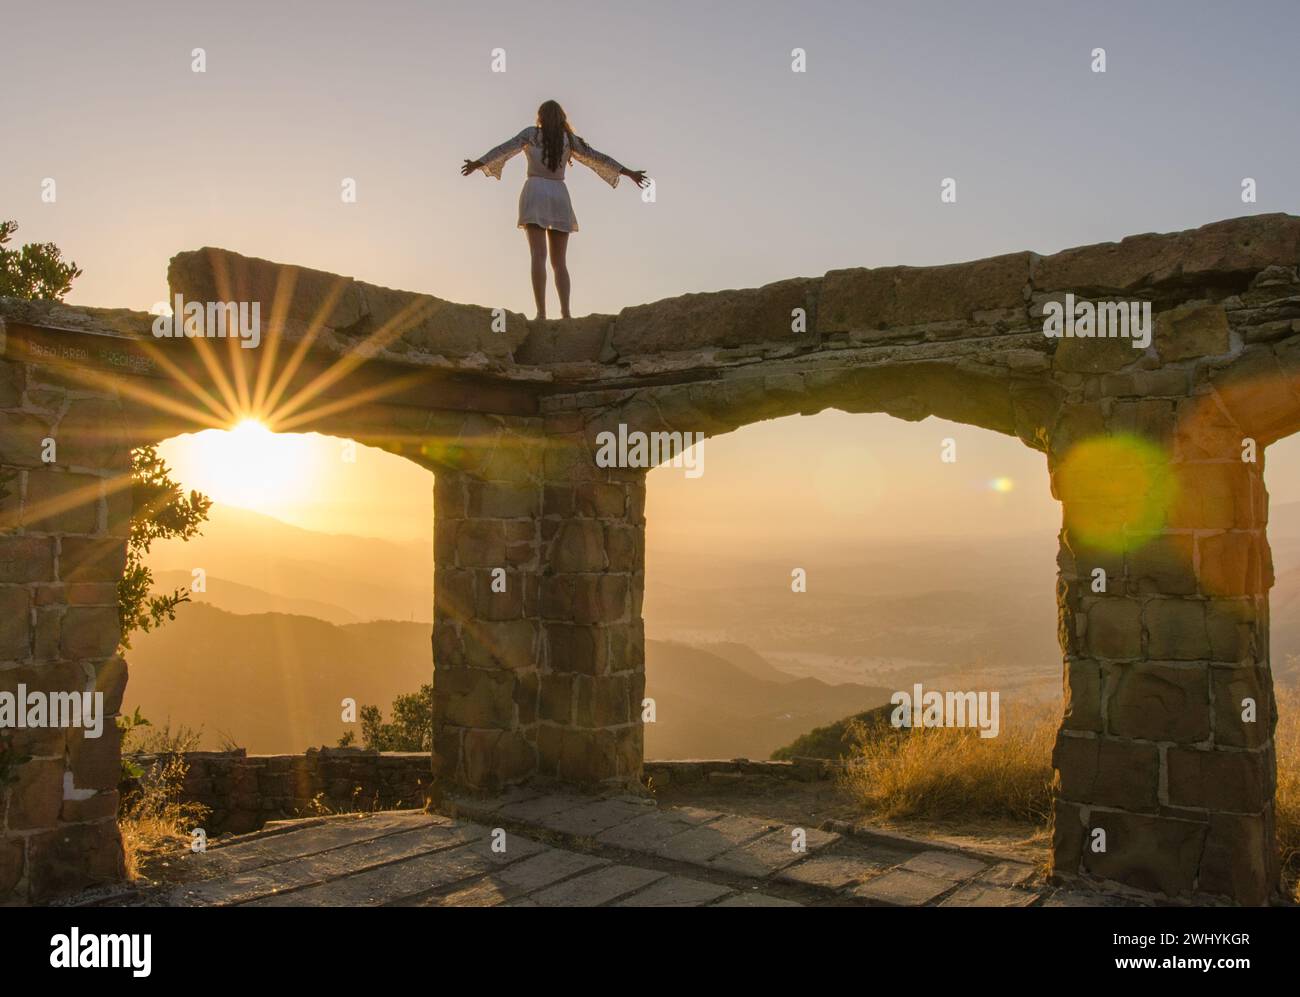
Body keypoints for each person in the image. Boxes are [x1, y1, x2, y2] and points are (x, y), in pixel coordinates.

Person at [463, 100, 647, 320]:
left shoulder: (531, 134)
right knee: (560, 263)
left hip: (535, 191)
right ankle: (566, 314)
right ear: (562, 117)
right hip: (559, 194)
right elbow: (598, 157)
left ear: (539, 116)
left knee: (537, 256)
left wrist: (478, 163)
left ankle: (541, 313)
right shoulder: (568, 139)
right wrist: (629, 173)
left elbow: (504, 148)